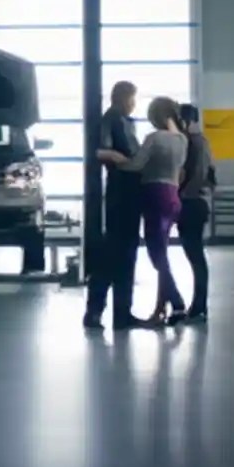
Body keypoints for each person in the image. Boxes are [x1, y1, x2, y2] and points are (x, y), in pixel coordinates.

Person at [101, 97, 188, 326]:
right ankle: (161, 307)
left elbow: (135, 165)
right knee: (162, 255)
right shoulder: (182, 140)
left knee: (157, 256)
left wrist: (112, 157)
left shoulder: (154, 138)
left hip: (154, 196)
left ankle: (177, 302)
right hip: (172, 196)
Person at [83, 81, 148, 331]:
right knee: (116, 252)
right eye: (132, 98)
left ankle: (119, 312)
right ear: (123, 98)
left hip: (126, 191)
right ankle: (103, 311)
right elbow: (103, 151)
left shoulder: (122, 120)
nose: (134, 103)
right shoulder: (113, 119)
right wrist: (125, 160)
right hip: (122, 192)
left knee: (123, 253)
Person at [177, 103, 214, 322]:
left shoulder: (194, 142)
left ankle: (199, 305)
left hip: (191, 203)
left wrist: (182, 195)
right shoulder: (200, 141)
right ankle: (198, 305)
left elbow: (198, 173)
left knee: (195, 256)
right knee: (195, 256)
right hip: (195, 202)